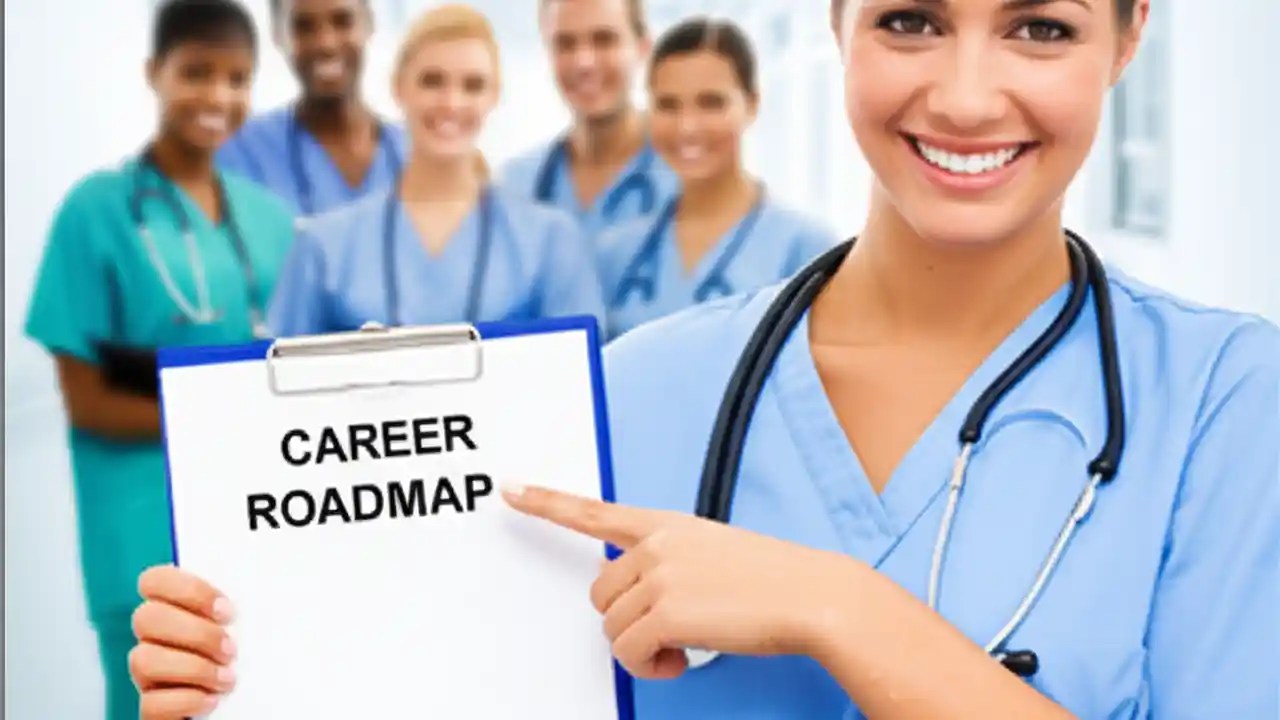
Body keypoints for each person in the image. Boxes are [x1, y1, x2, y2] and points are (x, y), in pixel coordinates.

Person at [127, 0, 1279, 718]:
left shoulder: (1223, 399)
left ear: (1129, 35)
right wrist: (256, 679)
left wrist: (837, 607)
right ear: (836, 19)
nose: (967, 95)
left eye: (1040, 27)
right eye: (909, 21)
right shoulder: (628, 396)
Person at [22, 1, 292, 718]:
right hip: (140, 528)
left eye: (237, 78)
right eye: (196, 72)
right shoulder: (96, 211)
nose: (218, 95)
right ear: (154, 73)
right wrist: (219, 419)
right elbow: (88, 400)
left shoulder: (268, 216)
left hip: (255, 519)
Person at [266, 4, 604, 337]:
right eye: (432, 82)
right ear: (398, 87)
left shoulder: (550, 242)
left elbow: (577, 365)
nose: (451, 103)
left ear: (494, 96)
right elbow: (277, 365)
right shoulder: (324, 247)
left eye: (473, 85)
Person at [599, 18, 838, 340]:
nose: (687, 127)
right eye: (667, 105)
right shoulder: (616, 253)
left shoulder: (805, 246)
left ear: (752, 104)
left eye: (711, 103)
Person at [498, 0, 679, 239]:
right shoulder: (515, 186)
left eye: (604, 40)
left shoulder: (690, 177)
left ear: (643, 49)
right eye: (565, 44)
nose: (584, 63)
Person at [216, 0, 407, 221]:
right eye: (303, 26)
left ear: (369, 23)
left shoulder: (417, 153)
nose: (326, 43)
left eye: (342, 21)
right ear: (278, 35)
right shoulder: (241, 152)